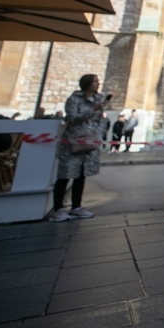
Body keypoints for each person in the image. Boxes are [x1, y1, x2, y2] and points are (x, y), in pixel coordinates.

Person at [49, 74, 110, 221]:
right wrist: (92, 109)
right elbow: (72, 118)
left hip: (90, 142)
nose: (98, 83)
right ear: (87, 83)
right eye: (95, 81)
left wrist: (99, 135)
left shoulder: (98, 100)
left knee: (81, 175)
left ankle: (76, 207)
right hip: (73, 141)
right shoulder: (74, 99)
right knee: (65, 175)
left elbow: (100, 120)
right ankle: (58, 208)